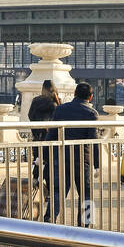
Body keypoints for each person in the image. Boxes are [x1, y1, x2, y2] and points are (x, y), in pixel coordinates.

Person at [47, 82, 100, 225]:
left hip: (61, 156)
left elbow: (51, 134)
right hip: (83, 160)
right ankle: (85, 224)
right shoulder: (91, 113)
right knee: (86, 194)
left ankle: (49, 219)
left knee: (58, 191)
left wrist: (44, 156)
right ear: (90, 97)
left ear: (75, 94)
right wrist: (97, 164)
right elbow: (93, 140)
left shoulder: (60, 110)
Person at [28, 80, 60, 188]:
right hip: (50, 138)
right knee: (49, 164)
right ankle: (50, 190)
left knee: (38, 161)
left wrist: (36, 130)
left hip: (37, 137)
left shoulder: (35, 101)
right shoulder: (55, 103)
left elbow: (30, 115)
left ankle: (34, 185)